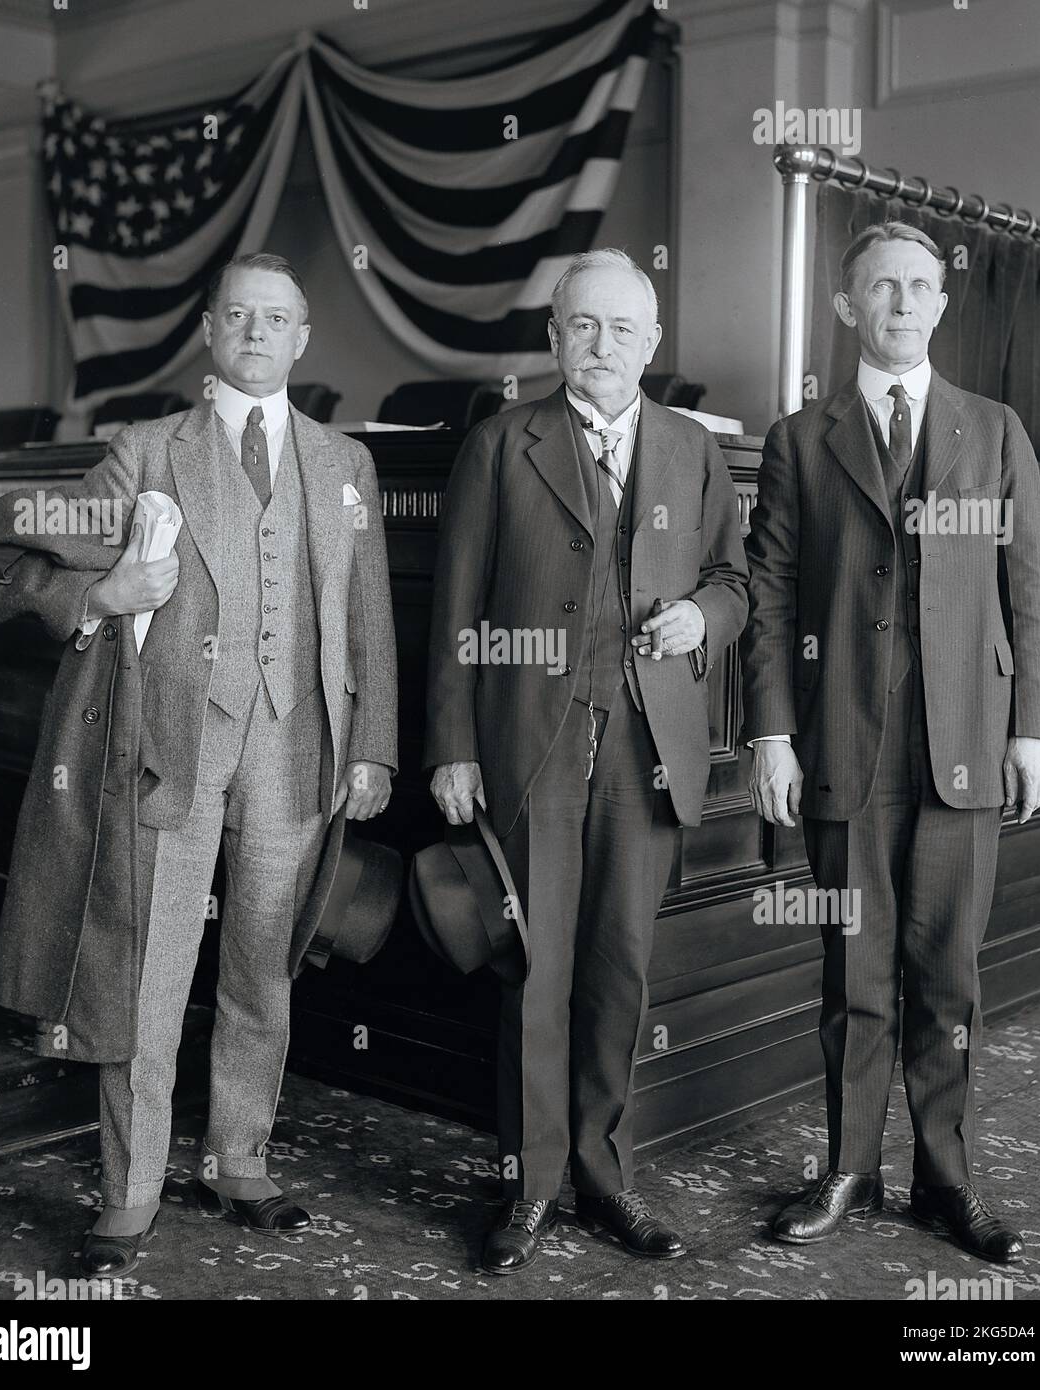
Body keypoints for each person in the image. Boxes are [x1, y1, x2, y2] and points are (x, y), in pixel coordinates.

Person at [0, 252, 397, 1276]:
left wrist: (373, 748)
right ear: (209, 330)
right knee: (146, 975)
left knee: (262, 969)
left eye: (275, 318)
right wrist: (97, 599)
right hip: (167, 751)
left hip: (297, 746)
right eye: (237, 315)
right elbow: (11, 556)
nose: (255, 332)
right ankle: (131, 1190)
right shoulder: (146, 449)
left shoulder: (346, 465)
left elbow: (368, 615)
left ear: (302, 336)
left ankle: (240, 1159)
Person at [424, 248, 749, 1274]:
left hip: (649, 749)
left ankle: (605, 1176)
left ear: (652, 344)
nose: (599, 346)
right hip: (531, 745)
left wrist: (701, 615)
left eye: (621, 330)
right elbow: (455, 612)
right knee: (535, 970)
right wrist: (452, 747)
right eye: (581, 326)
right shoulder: (499, 443)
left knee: (618, 968)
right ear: (554, 336)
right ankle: (533, 1183)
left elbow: (735, 582)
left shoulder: (694, 450)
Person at [742, 222, 1040, 1264]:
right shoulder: (799, 439)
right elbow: (772, 593)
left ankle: (945, 1179)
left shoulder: (993, 425)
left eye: (922, 287)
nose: (906, 304)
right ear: (848, 307)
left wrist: (1035, 730)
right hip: (844, 744)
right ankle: (848, 1167)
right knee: (854, 969)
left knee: (949, 976)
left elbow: (1028, 593)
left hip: (967, 738)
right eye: (884, 288)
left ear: (942, 303)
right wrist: (775, 734)